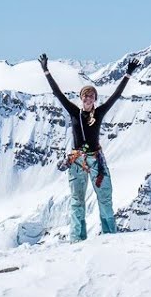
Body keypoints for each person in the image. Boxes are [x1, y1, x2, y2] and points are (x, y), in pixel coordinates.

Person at [39, 53, 138, 241]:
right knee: (77, 202)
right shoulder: (73, 112)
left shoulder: (99, 113)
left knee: (105, 199)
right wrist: (46, 71)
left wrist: (128, 74)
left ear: (95, 99)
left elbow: (116, 95)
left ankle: (110, 237)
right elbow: (58, 93)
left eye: (91, 95)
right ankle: (77, 240)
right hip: (77, 161)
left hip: (96, 160)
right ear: (81, 98)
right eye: (85, 95)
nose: (88, 98)